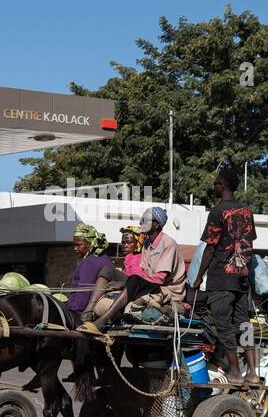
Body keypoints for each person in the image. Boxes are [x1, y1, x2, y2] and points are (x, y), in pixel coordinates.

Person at [190, 161, 259, 384]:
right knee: (244, 323)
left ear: (222, 185)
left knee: (224, 325)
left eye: (216, 183)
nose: (214, 186)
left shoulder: (218, 211)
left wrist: (199, 276)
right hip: (242, 278)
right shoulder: (247, 211)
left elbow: (210, 247)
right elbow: (249, 242)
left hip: (221, 278)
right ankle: (253, 372)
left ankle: (235, 372)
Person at [92, 206, 186, 331]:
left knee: (134, 280)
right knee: (109, 271)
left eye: (145, 220)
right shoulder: (147, 244)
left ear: (157, 224)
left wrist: (124, 283)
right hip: (151, 284)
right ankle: (88, 312)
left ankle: (102, 321)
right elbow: (144, 273)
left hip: (167, 289)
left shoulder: (168, 243)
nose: (141, 222)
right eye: (142, 219)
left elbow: (159, 279)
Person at [66, 224, 116, 323]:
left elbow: (84, 293)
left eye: (79, 245)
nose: (75, 248)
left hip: (80, 313)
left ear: (91, 243)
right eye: (74, 245)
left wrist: (71, 310)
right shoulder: (104, 258)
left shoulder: (89, 262)